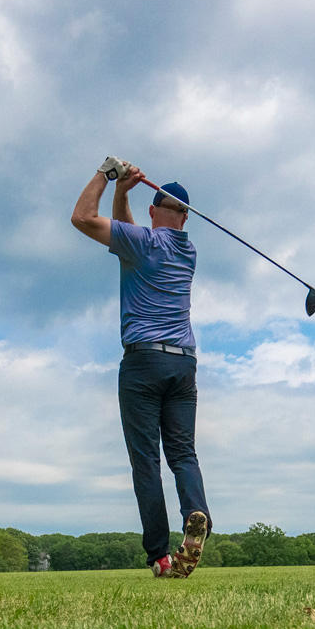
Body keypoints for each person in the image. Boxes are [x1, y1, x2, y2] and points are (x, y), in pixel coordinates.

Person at [71, 159, 210, 578]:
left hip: (143, 362)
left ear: (152, 213)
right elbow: (126, 234)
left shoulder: (143, 243)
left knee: (145, 459)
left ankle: (160, 556)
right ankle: (196, 511)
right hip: (184, 363)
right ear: (185, 216)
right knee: (182, 452)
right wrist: (123, 194)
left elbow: (81, 218)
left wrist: (105, 173)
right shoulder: (188, 252)